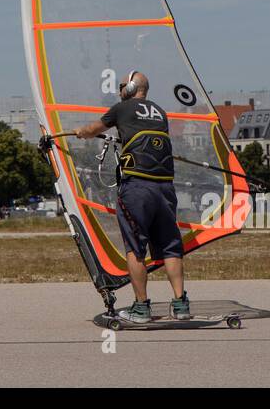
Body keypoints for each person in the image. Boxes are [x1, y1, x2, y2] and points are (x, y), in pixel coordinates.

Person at [74, 70, 187, 324]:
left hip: (137, 187)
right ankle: (180, 304)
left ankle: (141, 307)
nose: (119, 89)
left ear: (131, 87)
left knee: (135, 248)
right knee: (170, 247)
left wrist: (81, 131)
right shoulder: (160, 112)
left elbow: (94, 128)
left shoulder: (122, 108)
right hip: (165, 187)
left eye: (122, 85)